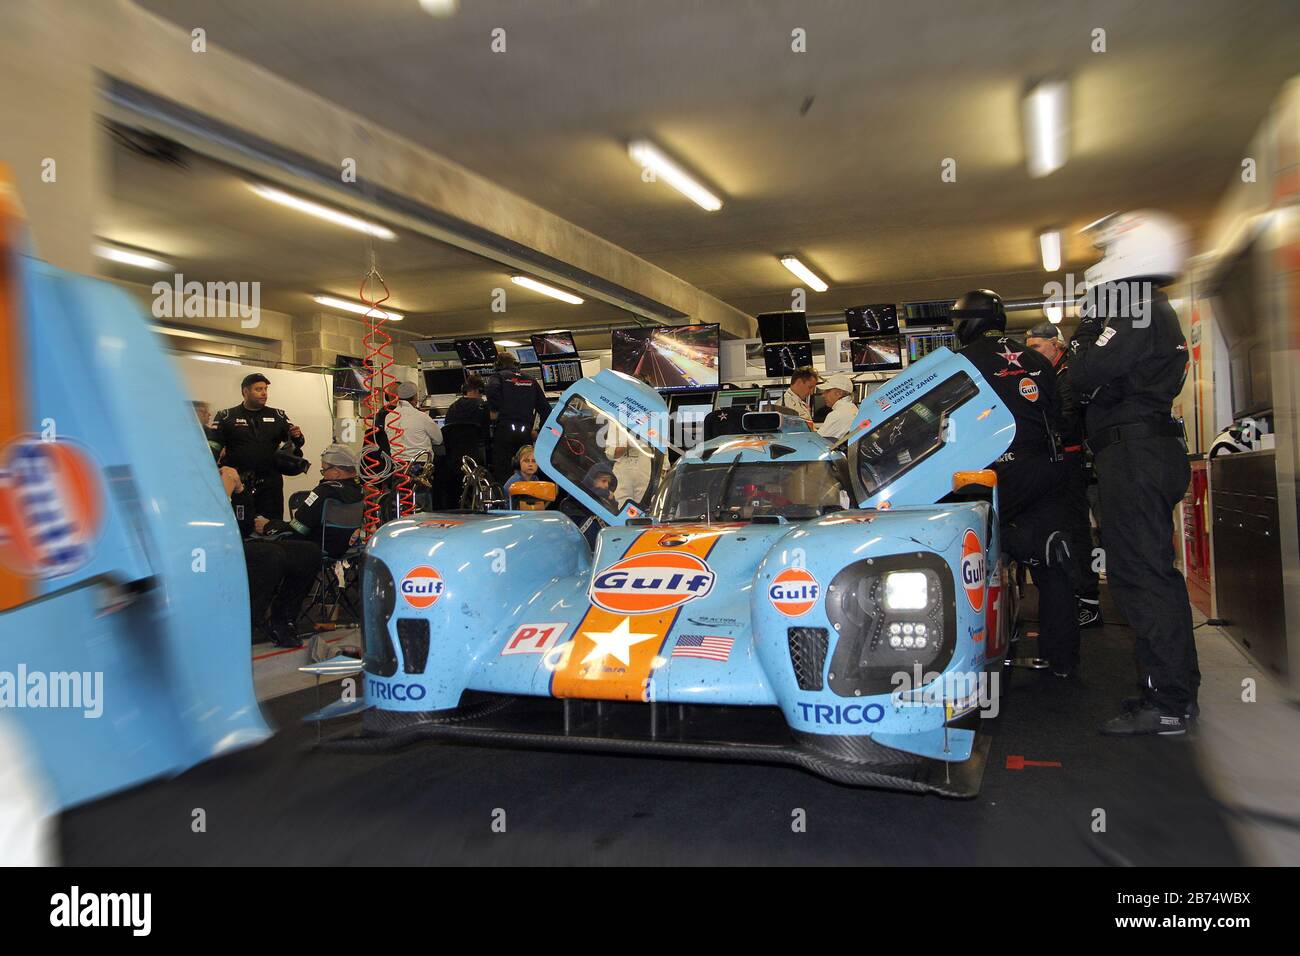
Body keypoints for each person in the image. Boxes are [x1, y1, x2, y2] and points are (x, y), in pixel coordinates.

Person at [1068, 210, 1198, 736]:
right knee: (1144, 573)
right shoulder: (1147, 307)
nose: (1100, 263)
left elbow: (1083, 373)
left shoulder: (1136, 306)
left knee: (1143, 576)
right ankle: (1167, 692)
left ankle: (1169, 701)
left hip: (1135, 453)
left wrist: (1087, 329)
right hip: (1141, 451)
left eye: (1105, 252)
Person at [951, 289, 1080, 678]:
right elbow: (1058, 416)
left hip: (988, 478)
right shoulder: (1038, 359)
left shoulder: (959, 363)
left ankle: (970, 659)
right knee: (1054, 567)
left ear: (967, 323)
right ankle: (1063, 663)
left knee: (969, 566)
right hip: (1045, 473)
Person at [1025, 321, 1102, 628]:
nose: (1032, 354)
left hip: (1071, 467)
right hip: (1059, 467)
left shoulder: (1066, 377)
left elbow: (1068, 426)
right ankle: (1075, 596)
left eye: (1036, 348)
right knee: (1065, 531)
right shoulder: (1051, 377)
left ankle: (1089, 601)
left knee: (1076, 531)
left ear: (1056, 346)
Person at [221, 464, 316, 648]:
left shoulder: (224, 477)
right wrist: (226, 494)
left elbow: (244, 524)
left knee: (309, 552)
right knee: (271, 554)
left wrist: (240, 491)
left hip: (240, 543)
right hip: (213, 547)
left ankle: (282, 619)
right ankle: (251, 619)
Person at [208, 373, 305, 519]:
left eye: (265, 389)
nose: (264, 393)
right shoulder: (226, 416)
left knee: (270, 526)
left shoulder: (278, 415)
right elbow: (213, 447)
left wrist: (297, 436)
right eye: (258, 389)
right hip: (239, 483)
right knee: (241, 524)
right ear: (245, 392)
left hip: (270, 484)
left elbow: (295, 442)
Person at [256, 444, 364, 558]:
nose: (323, 475)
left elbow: (298, 528)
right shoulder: (360, 491)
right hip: (347, 550)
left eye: (324, 470)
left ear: (336, 472)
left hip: (315, 550)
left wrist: (269, 526)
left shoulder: (324, 491)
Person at [486, 353, 552, 483]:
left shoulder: (498, 377)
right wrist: (539, 432)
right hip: (525, 432)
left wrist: (495, 409)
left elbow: (492, 390)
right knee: (526, 469)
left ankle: (507, 500)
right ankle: (527, 498)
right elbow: (546, 410)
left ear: (497, 365)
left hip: (504, 431)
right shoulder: (531, 380)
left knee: (503, 471)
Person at [384, 382, 443, 463]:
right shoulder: (422, 416)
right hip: (420, 465)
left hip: (397, 466)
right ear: (415, 397)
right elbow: (439, 440)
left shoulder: (389, 417)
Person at [816, 373, 859, 441]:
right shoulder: (851, 409)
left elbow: (817, 441)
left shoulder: (837, 414)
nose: (823, 395)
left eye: (827, 391)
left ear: (839, 393)